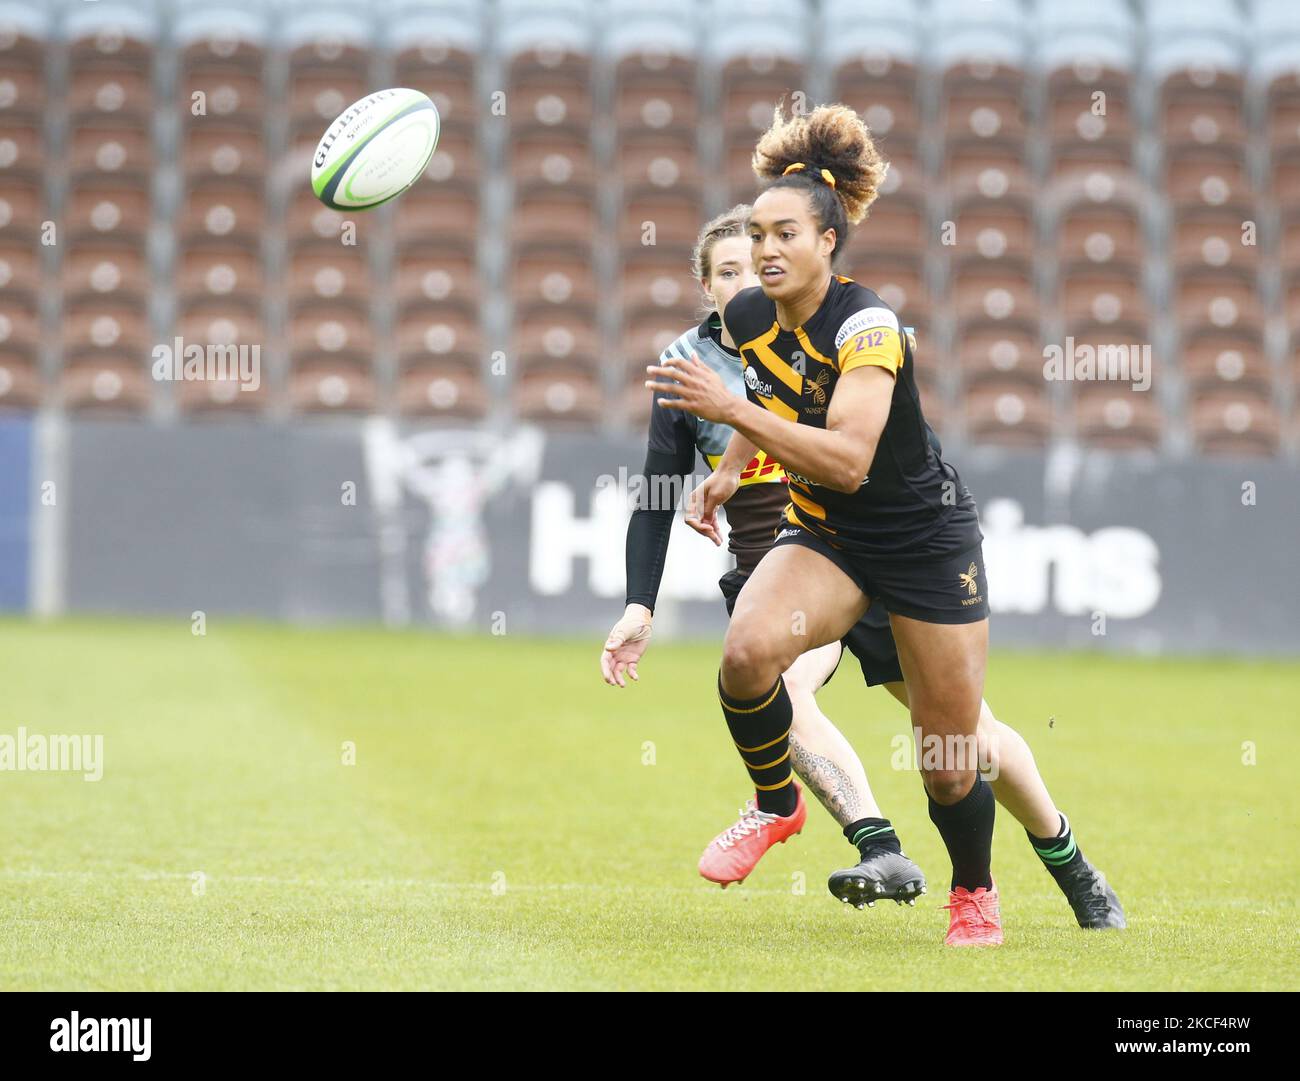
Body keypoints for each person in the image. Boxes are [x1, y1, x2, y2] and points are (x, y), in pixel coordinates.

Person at [646, 102, 1004, 945]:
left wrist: (731, 408)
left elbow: (846, 457)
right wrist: (730, 472)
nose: (765, 251)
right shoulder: (747, 320)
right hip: (830, 537)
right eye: (757, 235)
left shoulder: (869, 327)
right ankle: (778, 800)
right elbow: (770, 399)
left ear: (828, 243)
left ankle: (975, 890)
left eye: (785, 236)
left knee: (947, 762)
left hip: (924, 544)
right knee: (744, 656)